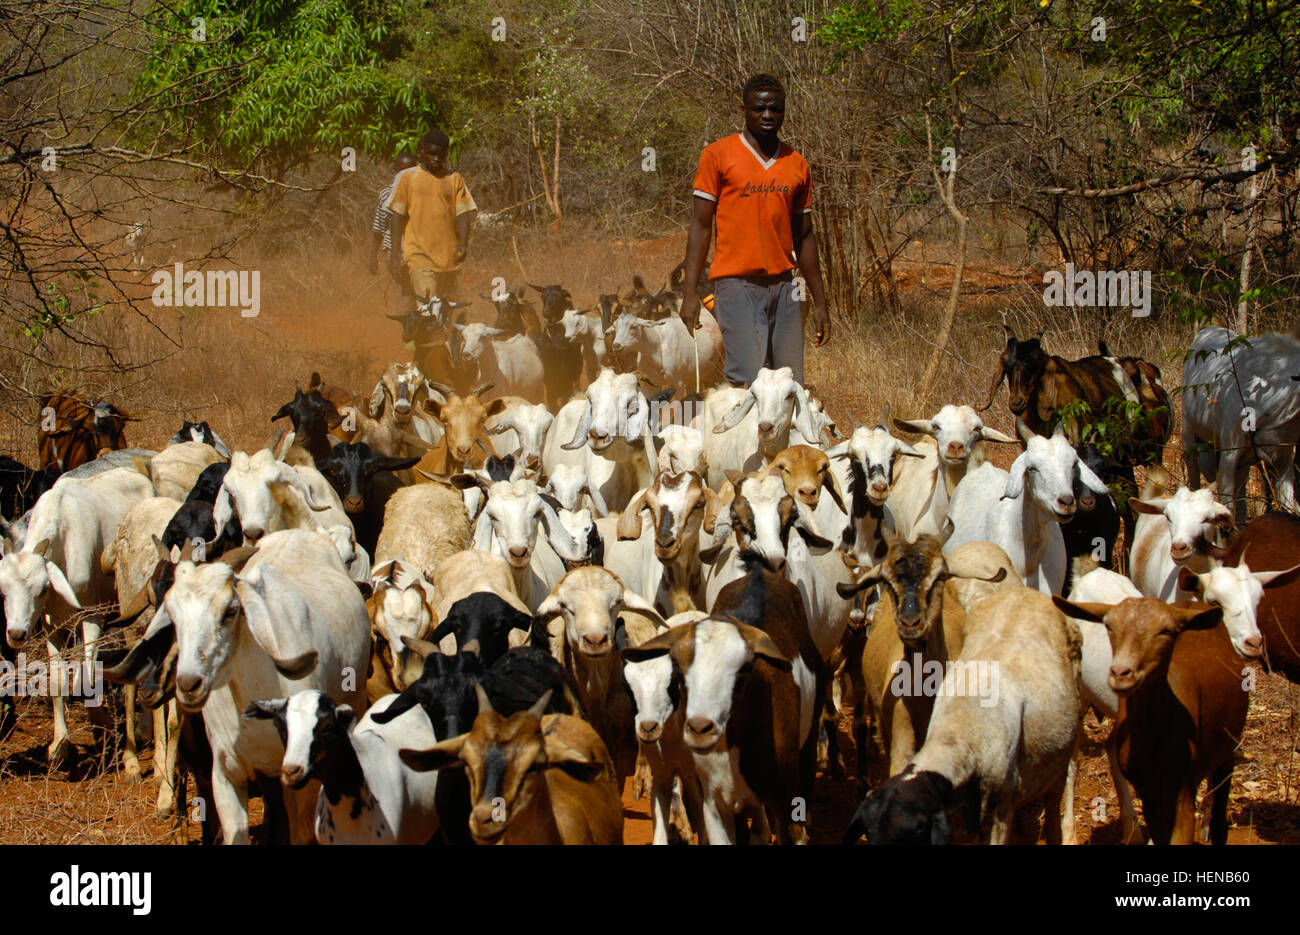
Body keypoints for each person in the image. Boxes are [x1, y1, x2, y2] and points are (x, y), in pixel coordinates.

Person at [679, 74, 830, 387]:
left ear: (784, 111)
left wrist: (820, 302)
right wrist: (690, 292)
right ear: (744, 110)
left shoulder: (796, 163)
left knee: (788, 386)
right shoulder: (718, 156)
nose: (767, 115)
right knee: (749, 384)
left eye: (775, 109)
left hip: (785, 288)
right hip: (736, 287)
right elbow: (701, 226)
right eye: (759, 108)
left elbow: (804, 237)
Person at [385, 129, 477, 310]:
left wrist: (463, 243)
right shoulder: (408, 178)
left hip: (449, 259)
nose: (436, 158)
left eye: (440, 155)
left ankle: (432, 338)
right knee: (429, 306)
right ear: (421, 152)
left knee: (448, 309)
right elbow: (398, 216)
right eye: (432, 153)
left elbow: (463, 214)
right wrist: (395, 253)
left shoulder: (454, 179)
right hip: (418, 257)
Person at [370, 151, 417, 314]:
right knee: (403, 294)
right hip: (395, 251)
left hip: (420, 249)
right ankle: (409, 333)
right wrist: (373, 256)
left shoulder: (424, 193)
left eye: (411, 169)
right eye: (402, 169)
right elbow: (379, 227)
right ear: (396, 171)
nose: (406, 174)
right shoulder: (386, 195)